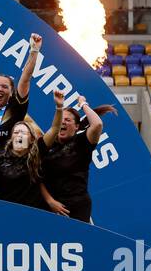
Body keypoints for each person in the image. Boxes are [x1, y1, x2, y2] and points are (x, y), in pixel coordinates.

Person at [39, 91, 113, 223]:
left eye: (67, 120)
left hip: (78, 205)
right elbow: (37, 176)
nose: (63, 123)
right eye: (60, 120)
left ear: (76, 126)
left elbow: (97, 125)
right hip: (52, 206)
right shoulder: (47, 144)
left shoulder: (82, 141)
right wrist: (50, 201)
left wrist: (83, 103)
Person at [0, 119, 54, 211]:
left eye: (23, 132)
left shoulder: (38, 153)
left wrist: (59, 108)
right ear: (11, 137)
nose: (19, 135)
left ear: (31, 139)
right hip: (5, 210)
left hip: (31, 212)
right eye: (16, 132)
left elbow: (54, 129)